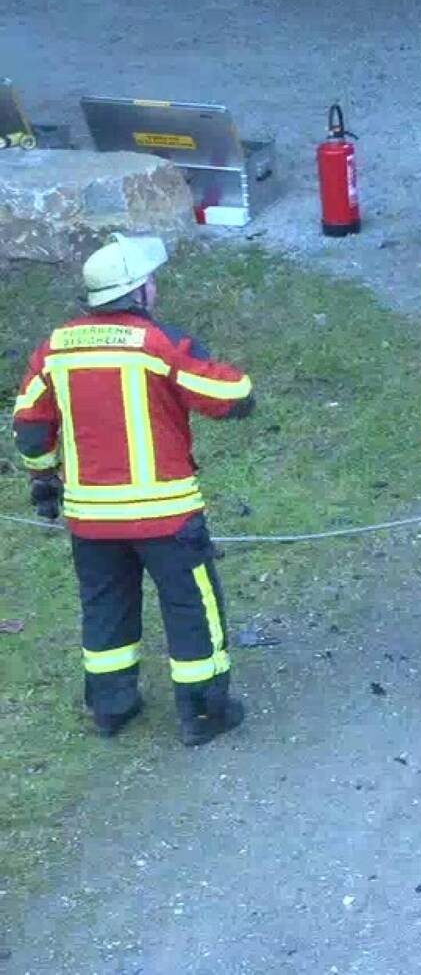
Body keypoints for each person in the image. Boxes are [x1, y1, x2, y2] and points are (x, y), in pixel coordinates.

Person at [11, 235, 254, 746]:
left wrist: (43, 479)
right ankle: (204, 713)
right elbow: (229, 396)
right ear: (140, 291)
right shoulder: (157, 343)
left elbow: (31, 425)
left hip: (91, 518)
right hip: (167, 515)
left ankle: (111, 708)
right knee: (191, 609)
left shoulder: (56, 347)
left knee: (105, 607)